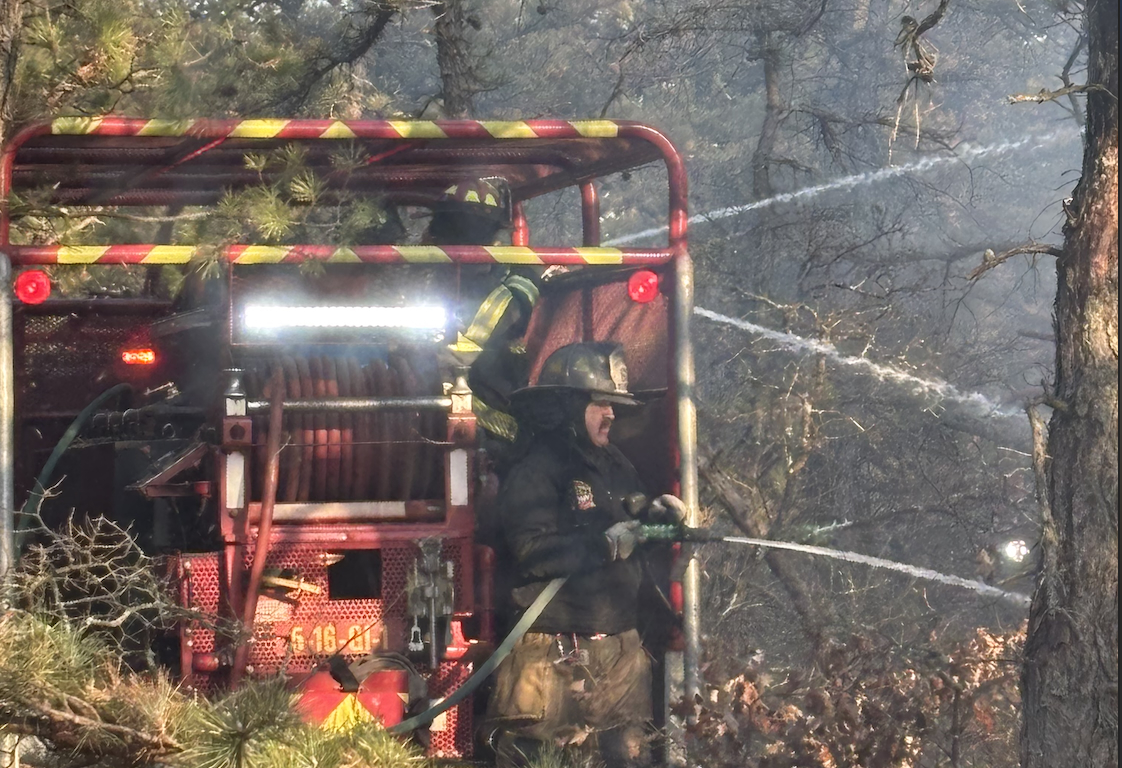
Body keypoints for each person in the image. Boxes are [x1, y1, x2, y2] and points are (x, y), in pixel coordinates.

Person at [481, 342, 657, 768]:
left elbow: (629, 523)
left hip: (619, 656)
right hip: (551, 658)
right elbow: (532, 551)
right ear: (567, 406)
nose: (611, 414)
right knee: (538, 759)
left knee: (628, 760)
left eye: (613, 404)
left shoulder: (615, 464)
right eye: (600, 403)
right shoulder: (536, 469)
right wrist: (604, 545)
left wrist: (658, 517)